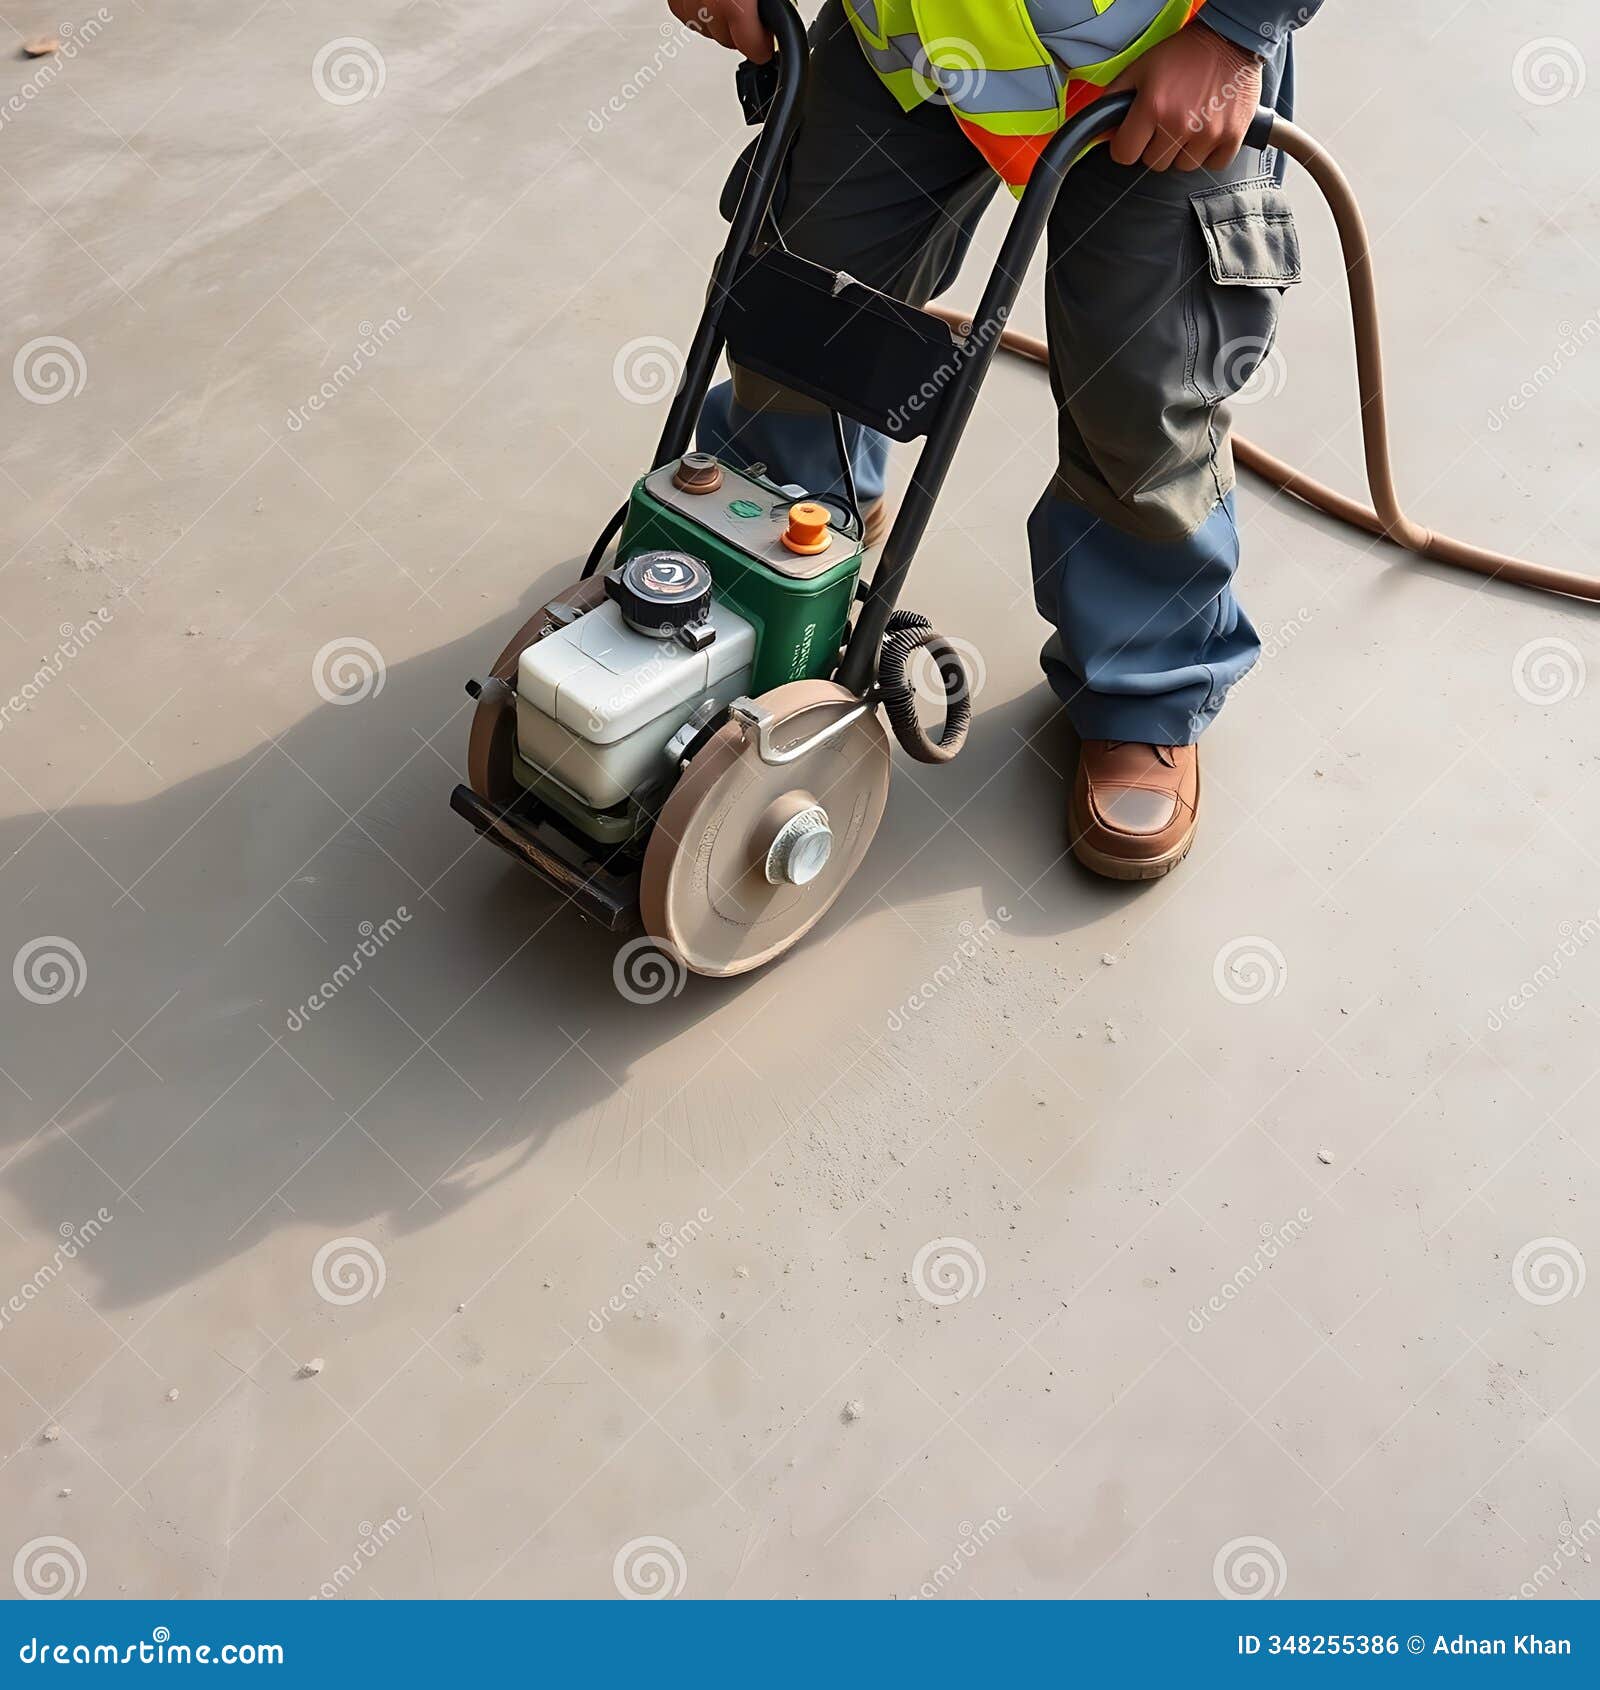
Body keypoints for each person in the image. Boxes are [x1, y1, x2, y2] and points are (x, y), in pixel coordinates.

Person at [671, 0, 1322, 879]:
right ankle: (789, 546)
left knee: (1138, 383)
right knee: (796, 290)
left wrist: (1234, 33)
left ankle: (1143, 687)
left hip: (1156, 56)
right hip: (908, 32)